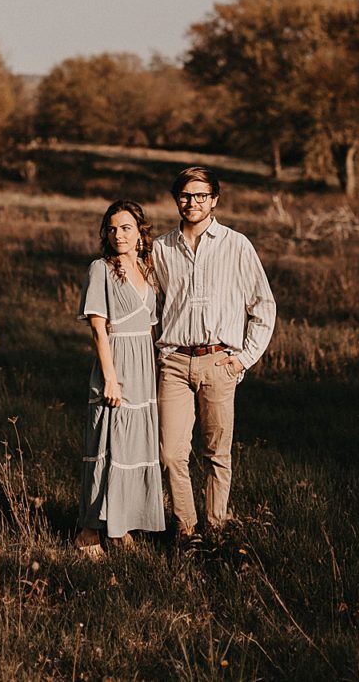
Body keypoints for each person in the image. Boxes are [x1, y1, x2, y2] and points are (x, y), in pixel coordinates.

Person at [152, 166, 277, 538]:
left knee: (216, 454)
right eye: (185, 195)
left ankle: (216, 530)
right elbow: (151, 304)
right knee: (170, 453)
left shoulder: (236, 245)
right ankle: (186, 528)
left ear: (214, 200)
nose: (192, 202)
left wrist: (243, 359)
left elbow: (263, 305)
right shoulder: (161, 248)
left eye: (200, 196)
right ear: (176, 199)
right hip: (174, 361)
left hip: (220, 361)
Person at [77, 199, 166, 558]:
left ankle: (120, 525)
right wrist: (110, 378)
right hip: (116, 364)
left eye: (126, 228)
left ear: (140, 232)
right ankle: (88, 532)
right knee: (107, 445)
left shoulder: (148, 268)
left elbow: (151, 328)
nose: (118, 235)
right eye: (112, 229)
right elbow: (99, 330)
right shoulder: (100, 269)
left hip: (144, 366)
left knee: (133, 448)